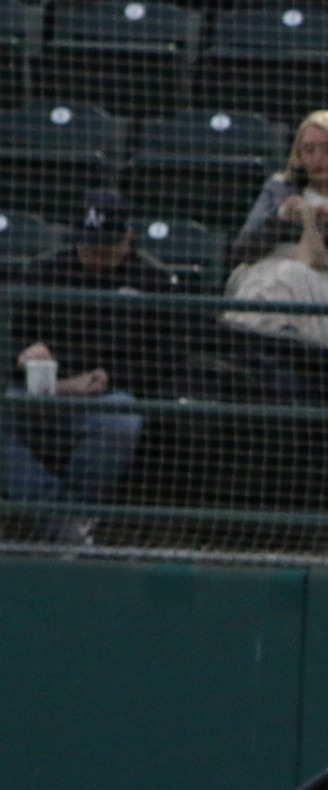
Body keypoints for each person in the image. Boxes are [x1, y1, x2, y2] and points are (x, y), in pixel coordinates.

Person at [4, 191, 169, 547]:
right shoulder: (46, 270)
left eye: (104, 247)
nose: (93, 255)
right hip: (42, 396)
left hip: (103, 398)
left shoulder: (151, 280)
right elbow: (11, 345)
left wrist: (111, 377)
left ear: (127, 239)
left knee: (122, 418)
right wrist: (22, 356)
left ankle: (71, 519)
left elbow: (168, 357)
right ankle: (64, 523)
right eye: (88, 245)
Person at [224, 110, 328, 355]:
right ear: (298, 155)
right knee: (270, 279)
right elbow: (242, 250)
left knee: (290, 274)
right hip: (268, 274)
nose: (318, 158)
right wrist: (280, 218)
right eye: (309, 150)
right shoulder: (278, 190)